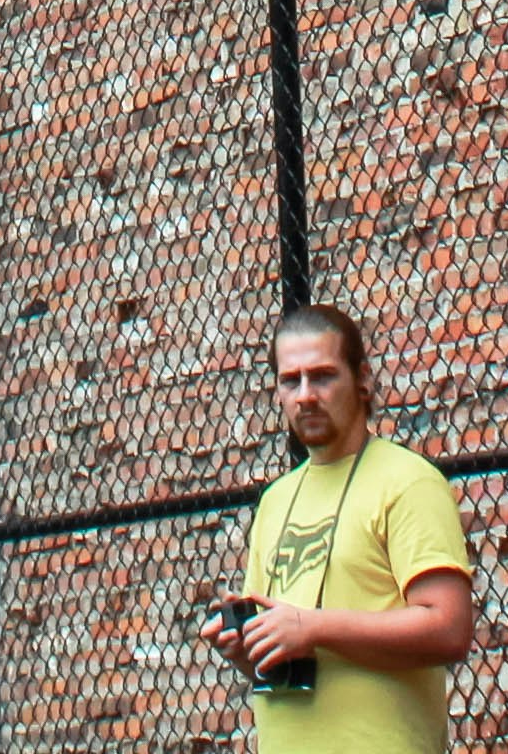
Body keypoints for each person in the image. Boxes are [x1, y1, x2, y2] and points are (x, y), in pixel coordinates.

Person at [204, 308, 476, 748]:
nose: (306, 396)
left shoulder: (408, 480)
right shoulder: (274, 500)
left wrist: (313, 628)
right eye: (291, 380)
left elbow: (449, 628)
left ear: (362, 379)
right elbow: (281, 656)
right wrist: (246, 648)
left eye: (323, 376)